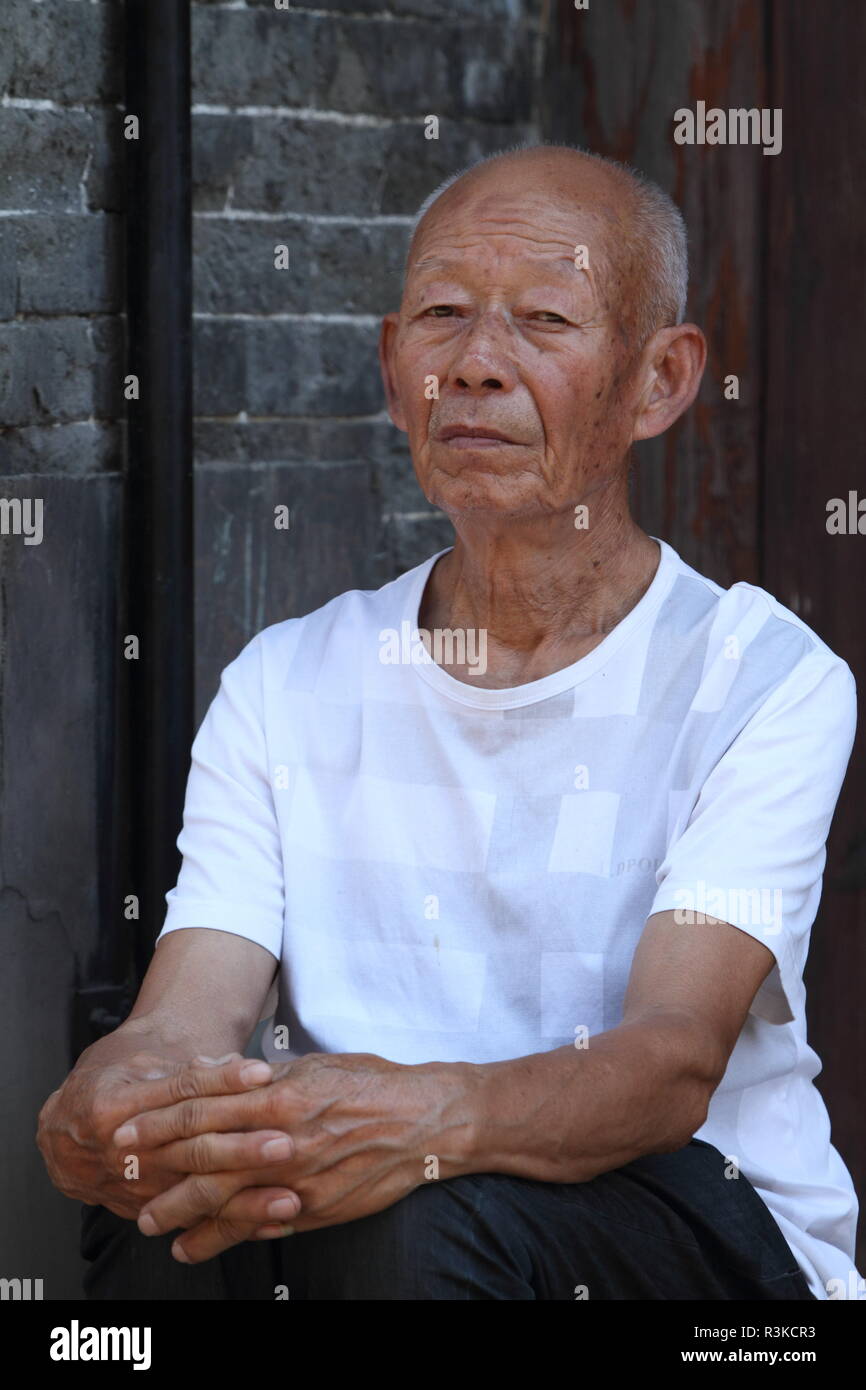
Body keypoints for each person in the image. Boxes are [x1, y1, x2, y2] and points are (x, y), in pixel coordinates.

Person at [38, 143, 861, 1300]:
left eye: (543, 320)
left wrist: (423, 1119)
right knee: (168, 1232)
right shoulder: (287, 680)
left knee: (409, 1236)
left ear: (658, 381)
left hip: (687, 1217)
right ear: (392, 368)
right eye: (441, 315)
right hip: (354, 1197)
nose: (477, 364)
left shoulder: (760, 677)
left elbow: (669, 1063)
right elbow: (190, 1009)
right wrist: (123, 1091)